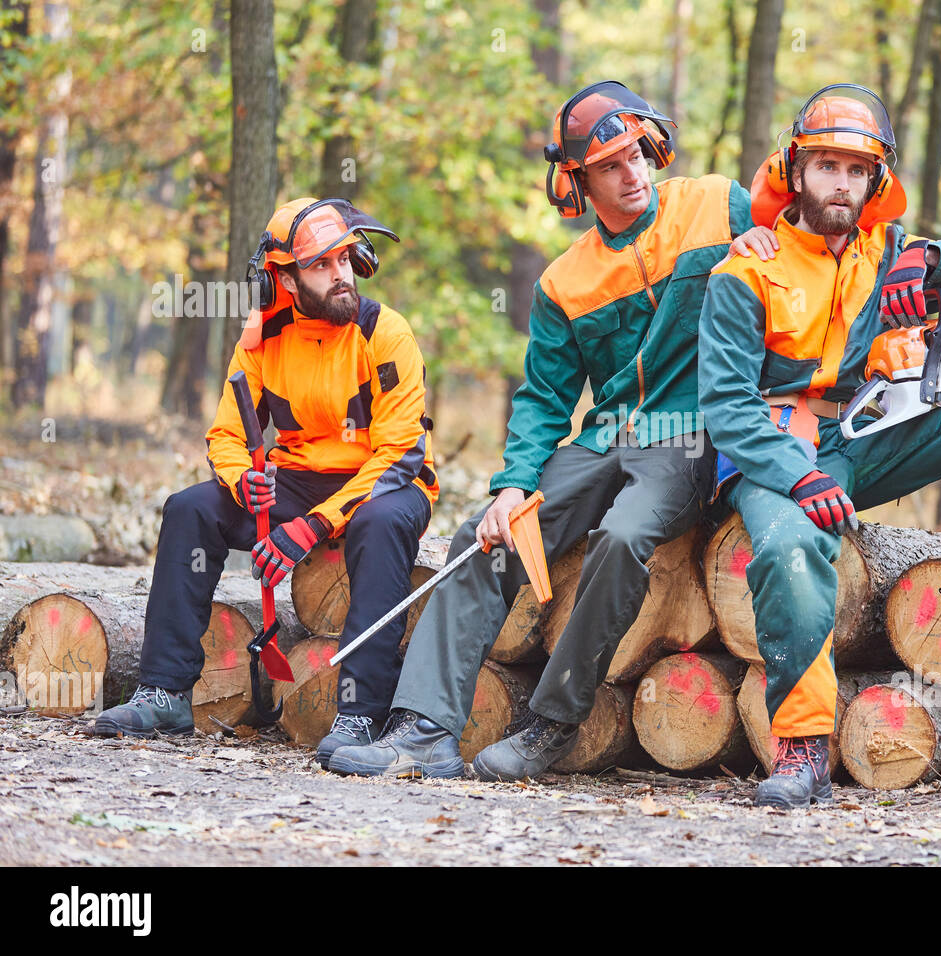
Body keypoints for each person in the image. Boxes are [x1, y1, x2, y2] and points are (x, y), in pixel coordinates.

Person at [328, 80, 766, 782]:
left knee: (624, 536)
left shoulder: (716, 204)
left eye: (638, 155)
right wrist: (511, 487)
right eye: (611, 167)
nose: (633, 175)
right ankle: (423, 730)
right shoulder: (565, 282)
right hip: (603, 439)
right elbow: (542, 400)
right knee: (487, 533)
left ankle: (553, 721)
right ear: (578, 181)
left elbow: (800, 235)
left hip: (691, 432)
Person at [698, 84, 941, 808]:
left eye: (856, 170)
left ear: (876, 180)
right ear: (796, 169)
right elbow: (724, 406)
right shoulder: (744, 271)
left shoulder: (889, 252)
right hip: (772, 446)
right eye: (826, 167)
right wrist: (796, 477)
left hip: (860, 433)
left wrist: (931, 258)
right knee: (789, 549)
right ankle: (803, 743)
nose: (840, 184)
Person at [94, 198, 439, 769]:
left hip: (384, 483)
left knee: (378, 523)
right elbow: (226, 434)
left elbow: (400, 452)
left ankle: (361, 712)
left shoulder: (386, 333)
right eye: (323, 266)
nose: (341, 275)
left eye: (345, 260)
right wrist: (241, 480)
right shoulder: (262, 339)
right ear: (285, 277)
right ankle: (164, 693)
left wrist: (312, 525)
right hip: (297, 478)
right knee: (190, 509)